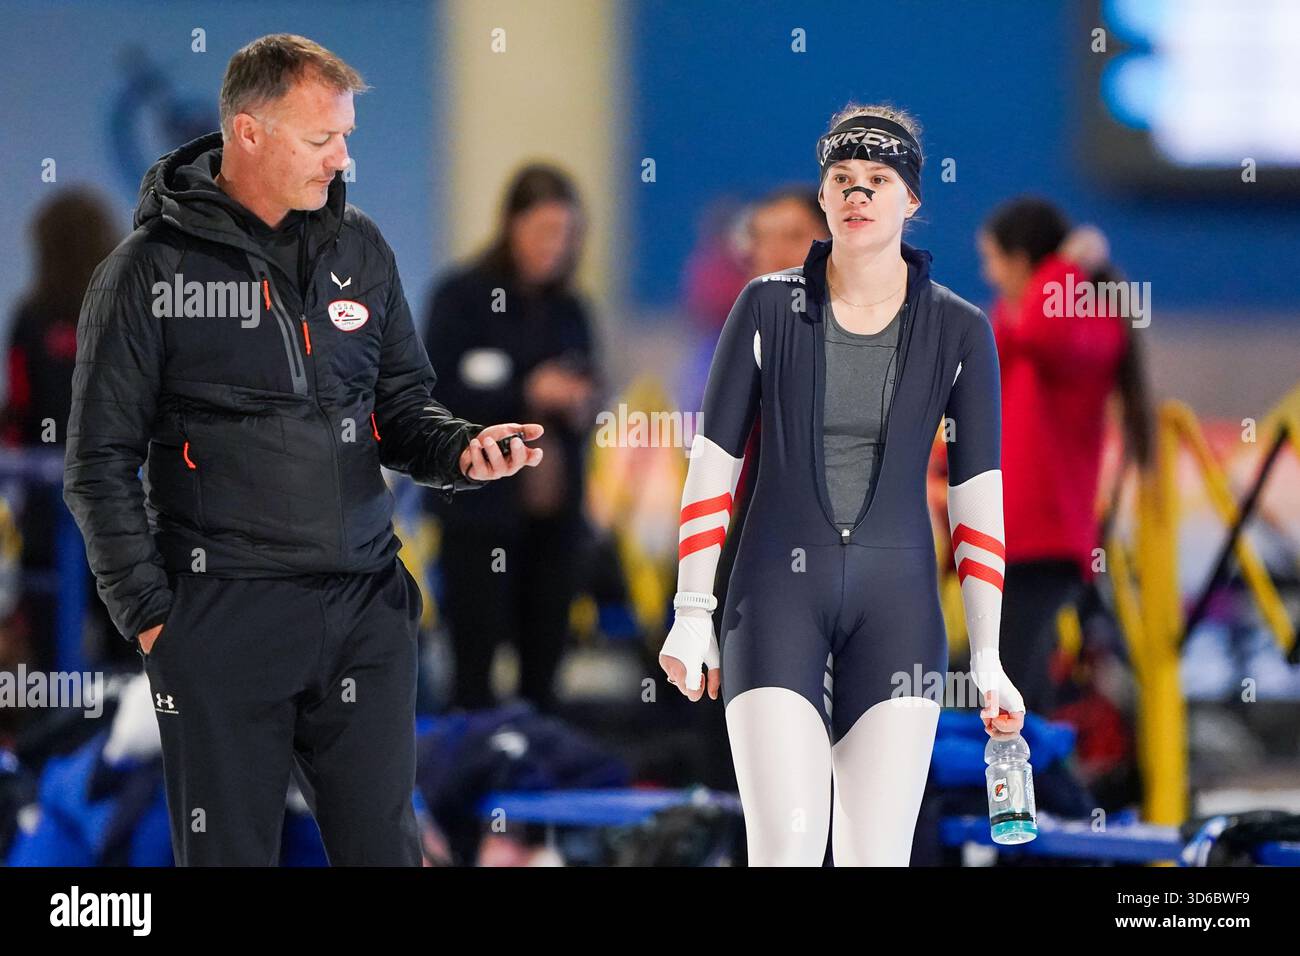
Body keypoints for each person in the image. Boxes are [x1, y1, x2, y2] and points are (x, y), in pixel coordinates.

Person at [61, 33, 543, 866]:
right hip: (222, 616)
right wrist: (152, 620)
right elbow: (97, 462)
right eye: (322, 139)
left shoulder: (361, 249)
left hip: (365, 610)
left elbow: (400, 411)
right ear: (249, 133)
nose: (341, 156)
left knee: (388, 852)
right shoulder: (146, 273)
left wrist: (464, 452)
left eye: (345, 135)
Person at [657, 104, 1026, 866]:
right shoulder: (764, 305)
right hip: (774, 601)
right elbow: (713, 463)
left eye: (878, 179)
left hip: (898, 612)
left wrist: (986, 651)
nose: (858, 194)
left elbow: (977, 491)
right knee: (785, 849)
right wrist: (693, 608)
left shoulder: (960, 331)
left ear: (911, 200)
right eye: (843, 179)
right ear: (823, 198)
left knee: (875, 856)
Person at [423, 164, 600, 713]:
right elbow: (434, 397)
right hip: (479, 517)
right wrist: (527, 389)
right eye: (544, 231)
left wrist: (578, 400)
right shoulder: (461, 298)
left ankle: (536, 781)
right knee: (473, 673)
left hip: (552, 520)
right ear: (511, 226)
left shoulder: (571, 309)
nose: (556, 246)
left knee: (544, 675)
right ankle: (473, 782)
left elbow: (589, 392)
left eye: (567, 234)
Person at [977, 197, 1152, 715]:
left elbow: (1043, 331)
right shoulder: (1014, 323)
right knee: (1008, 687)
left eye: (994, 259)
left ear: (1023, 261)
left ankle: (1059, 799)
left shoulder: (1088, 325)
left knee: (1011, 693)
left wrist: (1066, 265)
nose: (989, 274)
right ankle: (1041, 795)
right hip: (1006, 538)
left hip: (1045, 541)